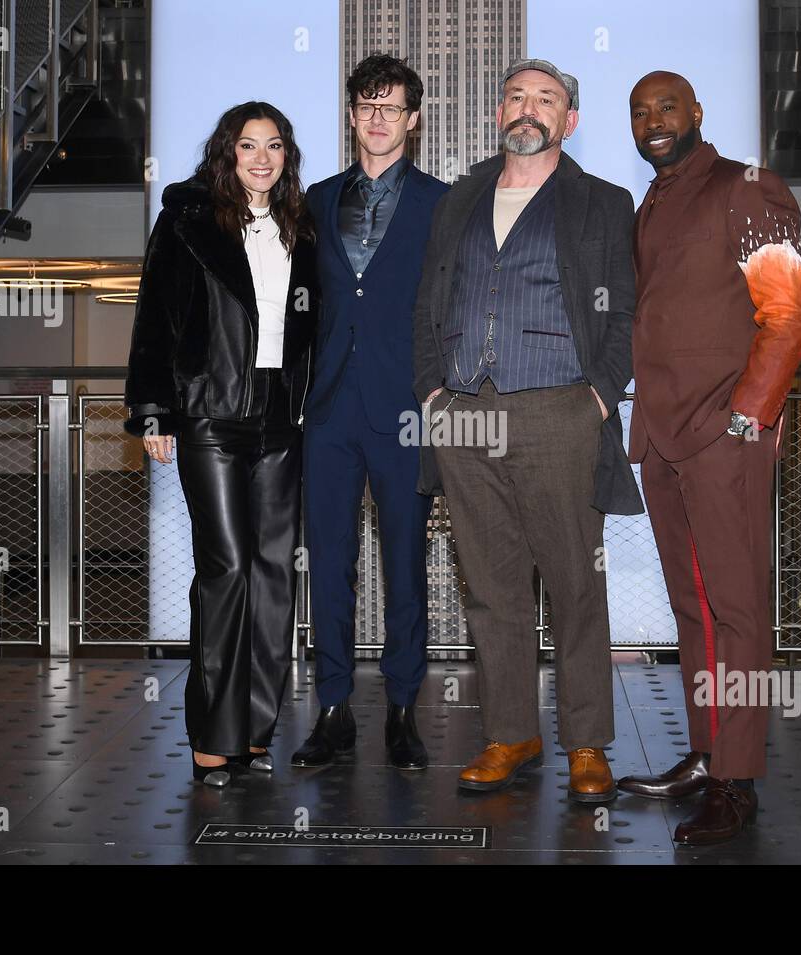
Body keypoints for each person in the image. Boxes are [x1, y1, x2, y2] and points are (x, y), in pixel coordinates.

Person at [412, 58, 643, 804]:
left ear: (569, 119)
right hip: (465, 411)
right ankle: (511, 732)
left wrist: (600, 398)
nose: (529, 107)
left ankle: (586, 742)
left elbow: (627, 310)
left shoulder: (603, 202)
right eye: (516, 94)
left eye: (546, 98)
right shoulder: (461, 197)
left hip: (560, 410)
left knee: (576, 584)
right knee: (491, 586)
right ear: (499, 110)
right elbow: (428, 302)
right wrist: (432, 393)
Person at [616, 71, 801, 844]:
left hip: (723, 436)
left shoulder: (746, 188)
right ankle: (706, 752)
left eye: (667, 106)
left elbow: (791, 312)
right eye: (640, 111)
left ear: (697, 112)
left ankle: (736, 780)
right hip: (664, 439)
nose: (653, 120)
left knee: (734, 612)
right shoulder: (656, 200)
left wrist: (746, 417)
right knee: (694, 610)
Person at [123, 102, 319, 786]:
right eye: (247, 145)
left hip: (280, 418)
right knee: (227, 568)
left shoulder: (303, 224)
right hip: (210, 414)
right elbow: (154, 316)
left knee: (271, 575)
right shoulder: (187, 218)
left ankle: (253, 730)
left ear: (287, 155)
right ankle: (212, 732)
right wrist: (152, 413)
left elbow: (313, 329)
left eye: (273, 146)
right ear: (226, 153)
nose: (261, 158)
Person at [291, 55, 450, 771]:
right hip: (326, 412)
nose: (378, 117)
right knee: (328, 563)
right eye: (367, 105)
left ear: (414, 120)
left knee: (405, 565)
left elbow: (454, 305)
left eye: (392, 107)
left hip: (407, 410)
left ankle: (403, 709)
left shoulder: (442, 204)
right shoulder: (314, 203)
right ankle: (332, 710)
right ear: (352, 115)